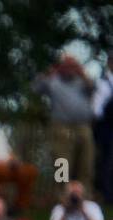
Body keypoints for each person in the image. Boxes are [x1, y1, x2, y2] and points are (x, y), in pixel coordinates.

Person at [33, 55, 96, 190]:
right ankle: (61, 194)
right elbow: (36, 88)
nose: (70, 69)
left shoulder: (83, 81)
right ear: (60, 67)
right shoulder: (53, 81)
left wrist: (83, 73)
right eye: (67, 65)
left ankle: (84, 195)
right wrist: (50, 73)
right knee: (62, 162)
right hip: (61, 126)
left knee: (86, 161)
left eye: (73, 65)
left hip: (83, 126)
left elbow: (93, 88)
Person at [94, 51, 113, 202]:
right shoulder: (103, 82)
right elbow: (97, 109)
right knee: (107, 162)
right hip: (107, 128)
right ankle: (107, 195)